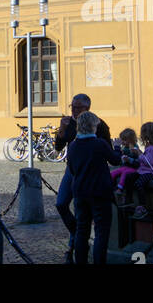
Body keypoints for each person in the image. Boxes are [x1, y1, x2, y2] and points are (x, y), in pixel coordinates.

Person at [51, 94, 112, 261]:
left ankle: (76, 242)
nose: (74, 110)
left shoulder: (98, 123)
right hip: (73, 171)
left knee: (85, 217)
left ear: (87, 108)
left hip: (92, 172)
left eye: (78, 107)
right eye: (72, 106)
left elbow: (108, 149)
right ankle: (75, 232)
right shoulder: (68, 122)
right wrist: (61, 130)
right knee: (61, 203)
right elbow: (58, 147)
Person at [66, 111, 119, 265]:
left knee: (82, 231)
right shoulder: (99, 144)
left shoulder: (73, 146)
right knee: (101, 232)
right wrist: (117, 148)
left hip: (80, 193)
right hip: (99, 192)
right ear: (92, 126)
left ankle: (80, 262)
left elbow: (72, 169)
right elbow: (115, 160)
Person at [128, 121, 153, 219]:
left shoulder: (152, 148)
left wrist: (139, 154)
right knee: (129, 177)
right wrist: (140, 152)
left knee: (139, 183)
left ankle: (142, 206)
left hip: (152, 172)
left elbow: (148, 162)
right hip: (143, 171)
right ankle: (129, 199)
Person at [109, 128, 140, 198]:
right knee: (113, 173)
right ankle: (110, 186)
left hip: (133, 168)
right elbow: (120, 159)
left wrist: (129, 159)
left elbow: (137, 161)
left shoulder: (135, 148)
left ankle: (120, 189)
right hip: (124, 167)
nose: (122, 142)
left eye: (124, 140)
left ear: (131, 140)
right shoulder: (124, 147)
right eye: (122, 140)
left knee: (125, 174)